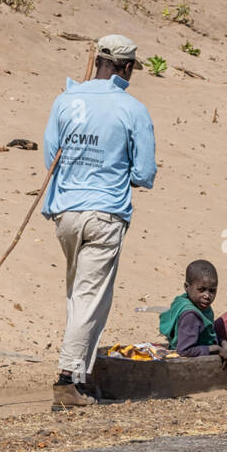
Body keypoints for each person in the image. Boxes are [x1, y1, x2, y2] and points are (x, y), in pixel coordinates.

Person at [44, 34, 156, 410]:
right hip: (104, 215)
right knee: (92, 299)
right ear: (125, 68)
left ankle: (81, 376)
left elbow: (50, 159)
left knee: (79, 296)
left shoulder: (65, 100)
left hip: (65, 215)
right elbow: (144, 174)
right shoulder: (133, 109)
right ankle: (66, 380)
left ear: (96, 62)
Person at [159, 260, 227, 368]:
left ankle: (224, 345)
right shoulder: (190, 316)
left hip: (205, 336)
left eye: (212, 291)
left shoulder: (197, 302)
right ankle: (226, 353)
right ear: (187, 287)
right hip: (198, 349)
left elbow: (211, 330)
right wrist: (216, 349)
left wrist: (223, 342)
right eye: (202, 290)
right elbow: (184, 351)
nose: (207, 296)